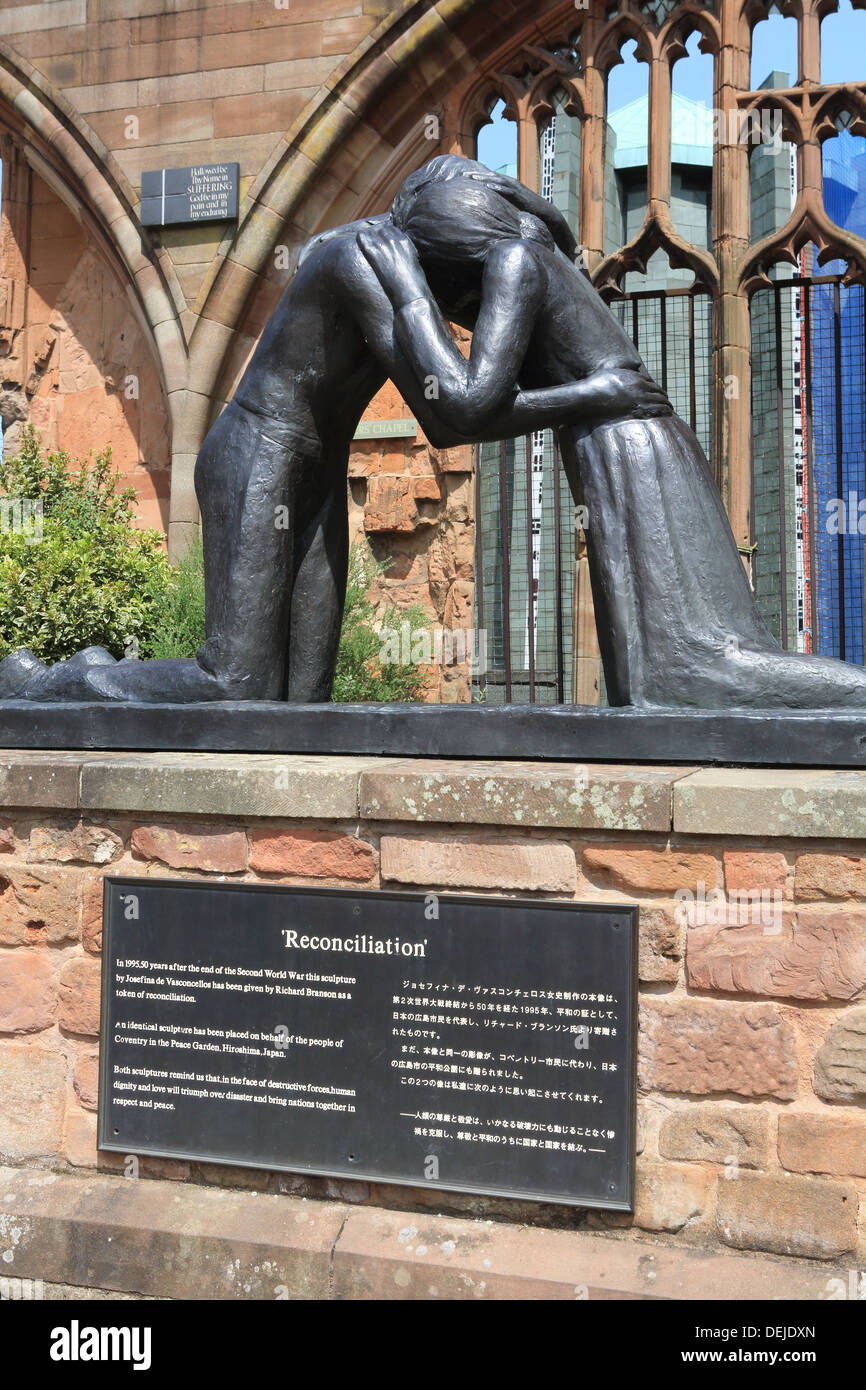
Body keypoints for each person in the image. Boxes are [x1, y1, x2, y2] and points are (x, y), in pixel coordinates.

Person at [0, 160, 667, 703]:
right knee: (236, 682)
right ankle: (45, 682)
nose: (464, 307)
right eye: (465, 291)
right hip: (257, 455)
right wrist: (594, 391)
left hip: (314, 469)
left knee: (304, 696)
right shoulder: (364, 258)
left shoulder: (393, 253)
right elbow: (450, 414)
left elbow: (463, 394)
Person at [357, 155, 866, 709]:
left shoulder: (514, 262)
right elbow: (462, 415)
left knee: (693, 667)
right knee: (651, 677)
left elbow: (473, 406)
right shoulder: (541, 257)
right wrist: (595, 395)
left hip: (629, 445)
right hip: (624, 440)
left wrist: (407, 292)